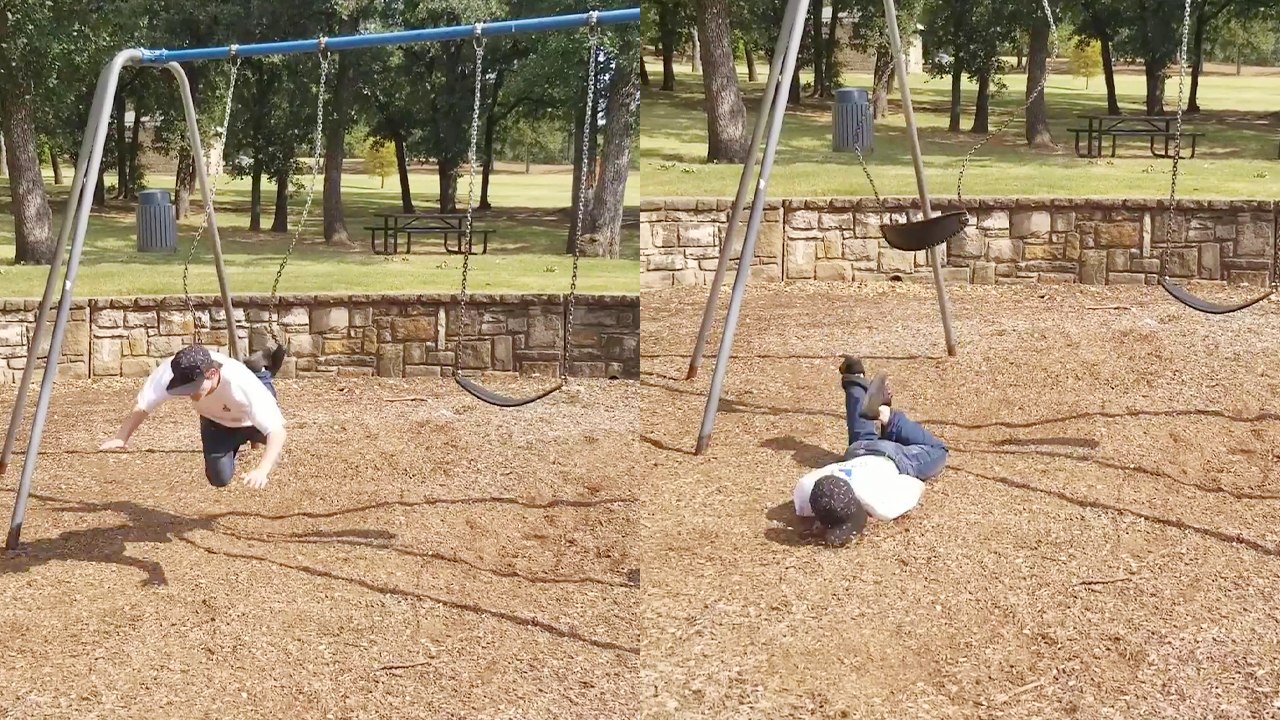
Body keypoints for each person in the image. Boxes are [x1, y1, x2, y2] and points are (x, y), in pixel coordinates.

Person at [791, 356, 949, 546]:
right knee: (864, 437)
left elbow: (915, 484)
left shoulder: (880, 505)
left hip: (889, 457)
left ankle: (887, 416)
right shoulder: (805, 490)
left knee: (938, 450)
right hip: (856, 453)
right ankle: (855, 380)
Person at [98, 343, 288, 490]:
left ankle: (260, 372)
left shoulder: (241, 385)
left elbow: (278, 432)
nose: (190, 393)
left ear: (213, 373)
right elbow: (143, 406)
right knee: (219, 479)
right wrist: (121, 437)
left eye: (194, 386)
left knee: (268, 426)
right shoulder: (174, 371)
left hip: (249, 420)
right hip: (216, 422)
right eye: (186, 388)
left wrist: (262, 469)